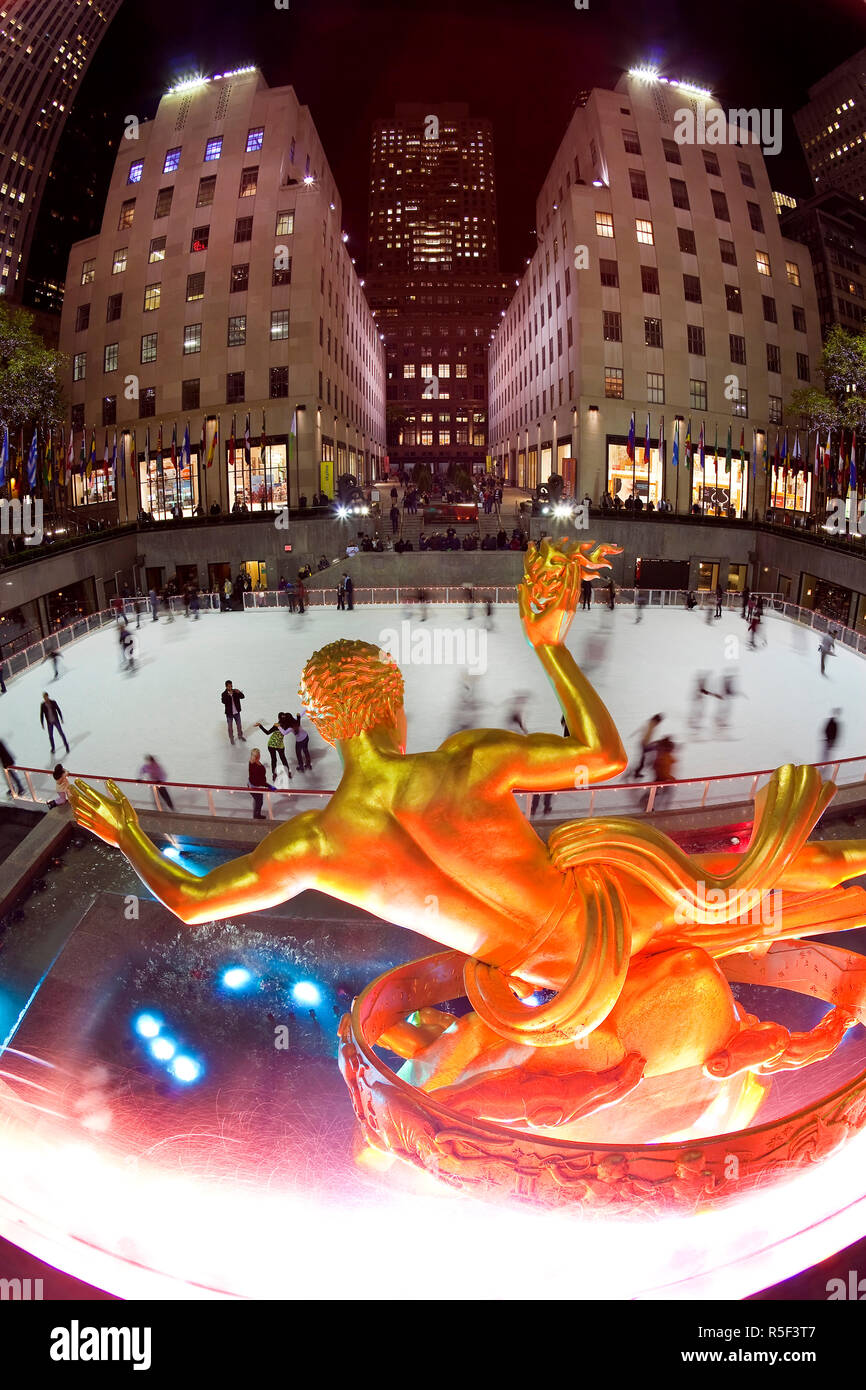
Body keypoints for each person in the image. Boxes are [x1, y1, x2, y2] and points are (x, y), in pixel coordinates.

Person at [256, 716, 293, 781]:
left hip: (271, 744)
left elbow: (267, 732)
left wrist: (260, 725)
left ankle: (274, 774)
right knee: (283, 759)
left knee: (274, 760)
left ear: (279, 718)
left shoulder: (276, 726)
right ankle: (288, 773)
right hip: (280, 745)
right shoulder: (287, 726)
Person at [632, 713, 663, 778]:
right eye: (659, 721)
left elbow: (643, 730)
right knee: (643, 761)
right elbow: (647, 735)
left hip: (645, 744)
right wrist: (650, 744)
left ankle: (637, 772)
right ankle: (637, 773)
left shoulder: (651, 723)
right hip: (645, 744)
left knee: (643, 761)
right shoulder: (651, 725)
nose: (659, 723)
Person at [247, 747, 273, 820]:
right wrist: (269, 786)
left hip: (252, 784)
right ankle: (256, 815)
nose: (259, 756)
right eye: (258, 755)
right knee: (259, 801)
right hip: (254, 786)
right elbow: (259, 781)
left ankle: (256, 813)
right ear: (256, 756)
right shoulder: (256, 768)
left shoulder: (252, 761)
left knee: (258, 800)